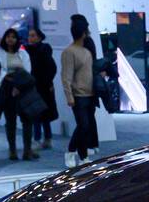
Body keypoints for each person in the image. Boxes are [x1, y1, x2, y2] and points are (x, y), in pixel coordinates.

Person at [0, 27, 36, 162]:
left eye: (13, 37)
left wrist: (19, 85)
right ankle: (12, 150)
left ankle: (27, 150)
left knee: (27, 121)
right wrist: (10, 80)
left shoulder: (23, 54)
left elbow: (28, 72)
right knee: (10, 121)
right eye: (8, 37)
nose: (10, 39)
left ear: (17, 39)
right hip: (7, 90)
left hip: (23, 90)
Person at [61, 17, 97, 167]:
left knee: (86, 126)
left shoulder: (87, 52)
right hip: (78, 95)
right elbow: (66, 76)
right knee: (83, 125)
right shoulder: (69, 52)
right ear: (83, 33)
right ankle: (70, 151)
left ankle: (83, 157)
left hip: (90, 94)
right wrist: (69, 96)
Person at [25, 26, 58, 146]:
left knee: (45, 113)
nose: (30, 38)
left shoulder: (44, 49)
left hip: (44, 86)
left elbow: (52, 68)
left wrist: (48, 82)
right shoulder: (26, 50)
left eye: (33, 35)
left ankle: (47, 138)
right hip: (32, 86)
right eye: (29, 35)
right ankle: (37, 138)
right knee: (34, 113)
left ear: (39, 37)